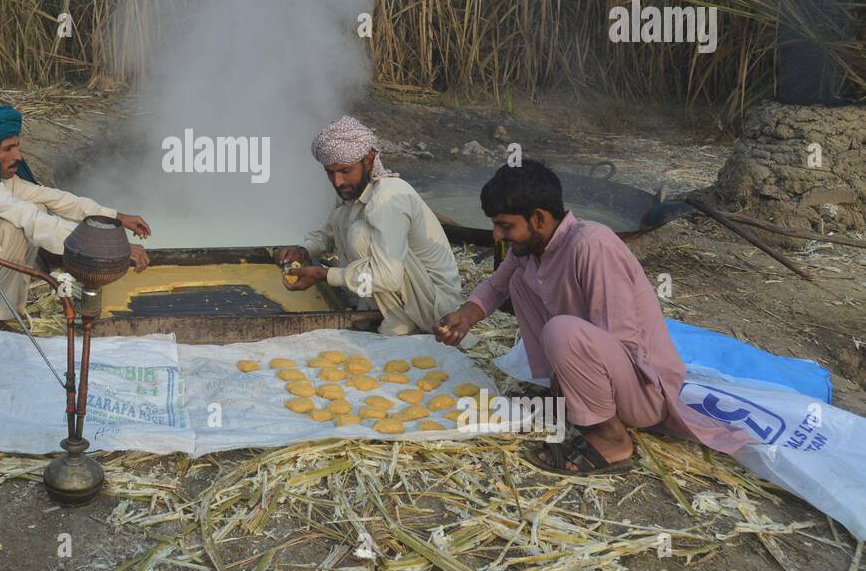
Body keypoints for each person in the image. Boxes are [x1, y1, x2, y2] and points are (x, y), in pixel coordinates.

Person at [434, 159, 749, 475]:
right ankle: (565, 395)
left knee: (563, 332)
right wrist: (465, 317)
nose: (498, 236)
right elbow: (496, 287)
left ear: (539, 218)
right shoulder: (530, 250)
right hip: (603, 376)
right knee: (519, 281)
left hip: (643, 393)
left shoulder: (592, 245)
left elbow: (622, 341)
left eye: (505, 226)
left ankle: (612, 437)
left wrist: (589, 391)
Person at [0, 103, 150, 329]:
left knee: (39, 205)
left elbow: (55, 199)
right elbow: (36, 221)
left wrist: (117, 216)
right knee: (18, 226)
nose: (18, 156)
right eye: (8, 149)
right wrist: (107, 249)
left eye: (17, 147)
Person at [276, 115, 462, 335]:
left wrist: (324, 275)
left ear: (369, 159)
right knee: (342, 219)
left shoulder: (388, 197)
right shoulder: (352, 190)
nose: (338, 181)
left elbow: (389, 277)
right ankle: (375, 310)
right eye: (330, 173)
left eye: (345, 171)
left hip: (434, 304)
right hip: (401, 289)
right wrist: (303, 250)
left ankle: (401, 322)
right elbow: (329, 232)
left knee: (360, 234)